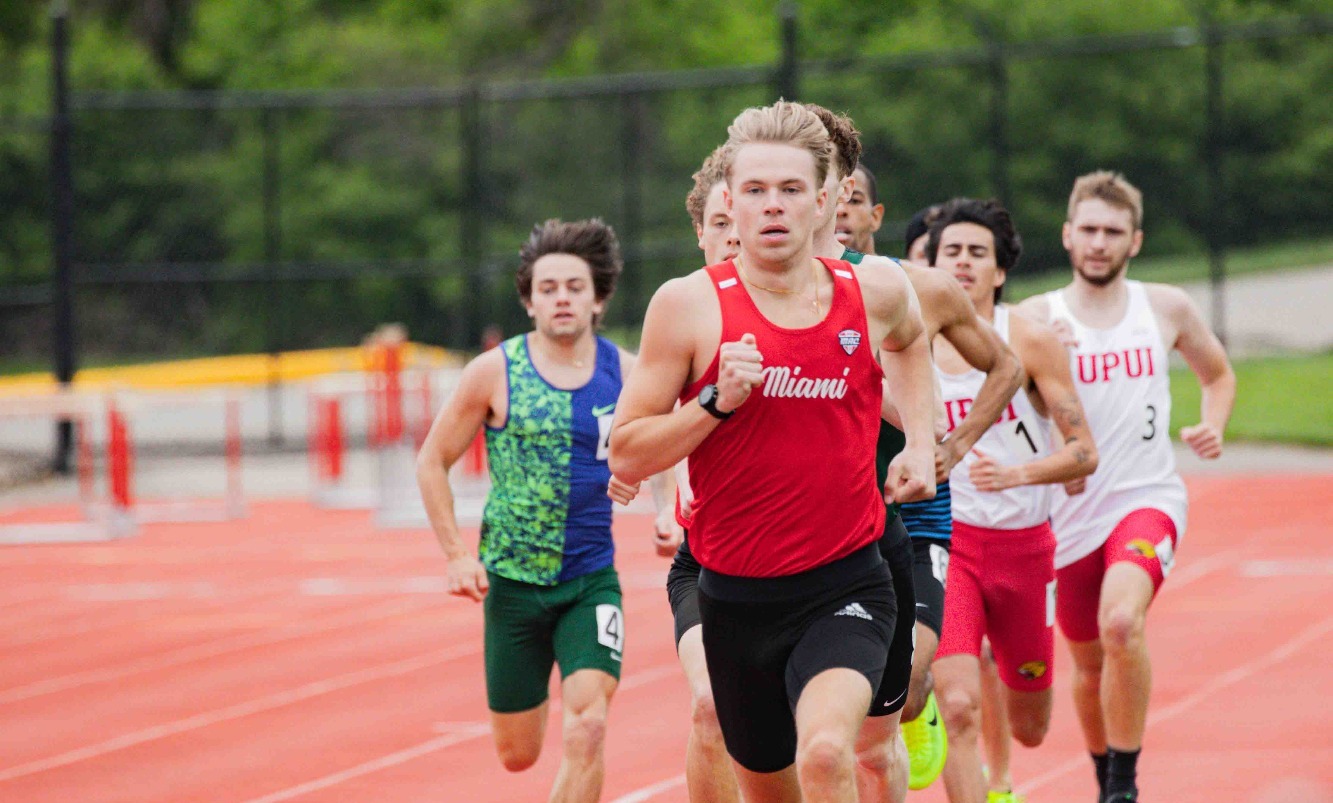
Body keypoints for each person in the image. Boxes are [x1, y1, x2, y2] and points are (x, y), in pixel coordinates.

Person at [609, 100, 937, 803]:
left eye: (790, 190)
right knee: (770, 786)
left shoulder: (873, 290)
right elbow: (627, 453)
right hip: (733, 598)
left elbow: (911, 339)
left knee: (825, 753)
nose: (772, 207)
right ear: (727, 199)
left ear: (825, 198)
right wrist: (714, 402)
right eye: (754, 191)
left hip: (846, 582)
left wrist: (919, 441)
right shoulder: (686, 306)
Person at [804, 108, 1024, 800]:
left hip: (910, 510)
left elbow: (1006, 367)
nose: (837, 212)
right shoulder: (766, 289)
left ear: (870, 212)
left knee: (905, 684)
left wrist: (946, 449)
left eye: (851, 199)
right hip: (817, 517)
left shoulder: (917, 287)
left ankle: (915, 697)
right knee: (831, 719)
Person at [1018, 171, 1235, 803]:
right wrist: (1037, 368)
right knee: (1087, 667)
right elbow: (1007, 407)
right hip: (1070, 514)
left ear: (1134, 241)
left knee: (1121, 623)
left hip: (1146, 499)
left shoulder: (1164, 307)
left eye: (1112, 232)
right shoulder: (1037, 318)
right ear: (1066, 235)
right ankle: (1103, 778)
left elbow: (1217, 373)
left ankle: (1124, 783)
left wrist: (1211, 425)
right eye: (1087, 229)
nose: (1098, 243)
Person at [415, 218, 648, 803]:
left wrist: (663, 499)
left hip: (590, 581)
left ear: (598, 298)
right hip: (511, 586)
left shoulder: (627, 371)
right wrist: (455, 556)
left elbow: (668, 444)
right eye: (548, 288)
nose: (562, 298)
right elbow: (432, 461)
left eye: (574, 286)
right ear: (528, 301)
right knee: (518, 755)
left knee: (589, 724)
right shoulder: (494, 372)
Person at [921, 198, 1098, 803]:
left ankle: (1007, 739)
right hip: (951, 543)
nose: (964, 263)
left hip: (1024, 549)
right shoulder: (910, 339)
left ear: (999, 271)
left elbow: (1083, 453)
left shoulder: (1028, 337)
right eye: (952, 253)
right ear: (934, 265)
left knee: (1032, 727)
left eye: (978, 253)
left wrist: (1020, 474)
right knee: (962, 705)